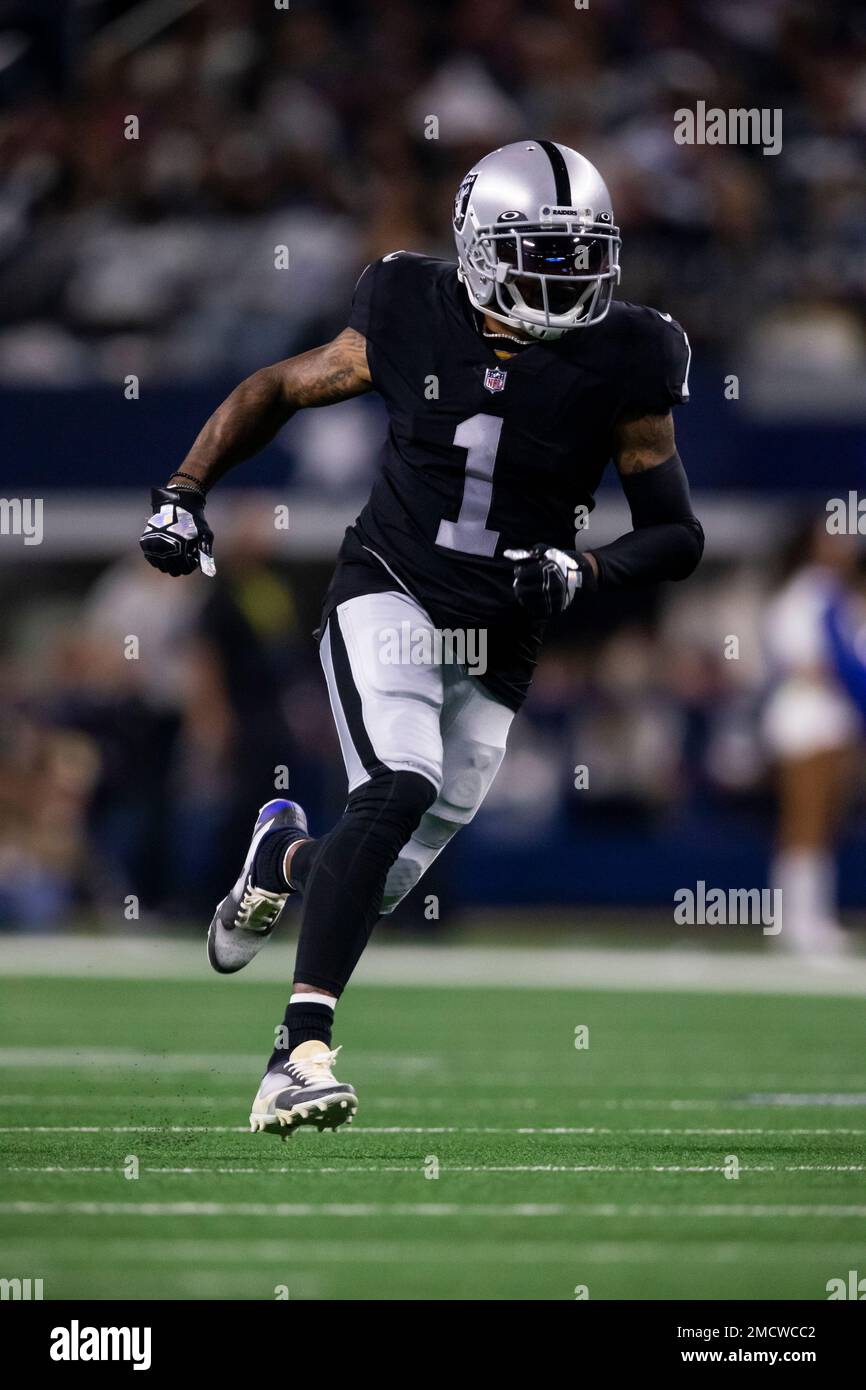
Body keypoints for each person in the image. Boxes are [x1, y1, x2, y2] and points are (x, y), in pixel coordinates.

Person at [139, 141, 703, 1135]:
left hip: (507, 629)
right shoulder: (407, 302)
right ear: (479, 246)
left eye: (582, 253)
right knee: (394, 783)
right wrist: (186, 493)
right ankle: (295, 1057)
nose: (567, 275)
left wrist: (585, 569)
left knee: (376, 879)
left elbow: (674, 531)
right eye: (541, 251)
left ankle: (280, 856)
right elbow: (275, 386)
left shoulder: (634, 350)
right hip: (390, 587)